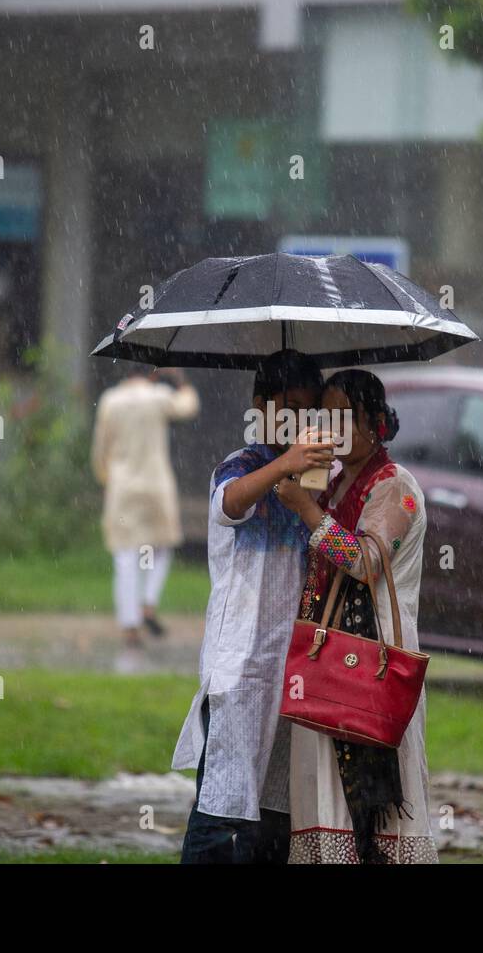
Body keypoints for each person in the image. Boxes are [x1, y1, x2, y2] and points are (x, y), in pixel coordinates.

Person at [172, 349, 334, 864]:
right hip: (240, 670)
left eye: (308, 411)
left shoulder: (313, 480)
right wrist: (284, 465)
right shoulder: (240, 466)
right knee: (220, 813)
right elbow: (229, 504)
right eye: (288, 408)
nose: (298, 422)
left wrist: (310, 490)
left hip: (292, 669)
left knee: (275, 816)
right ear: (259, 407)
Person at [275, 369, 438, 864]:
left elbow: (366, 562)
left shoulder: (396, 487)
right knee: (322, 784)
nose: (334, 426)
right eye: (328, 416)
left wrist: (306, 508)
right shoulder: (340, 482)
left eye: (345, 415)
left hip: (373, 656)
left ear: (376, 422)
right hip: (330, 652)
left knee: (373, 801)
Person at [90, 366, 200, 647]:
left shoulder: (110, 400)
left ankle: (129, 625)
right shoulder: (159, 396)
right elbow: (188, 406)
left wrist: (106, 478)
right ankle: (148, 602)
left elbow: (100, 448)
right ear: (151, 374)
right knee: (162, 547)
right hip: (156, 483)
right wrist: (181, 381)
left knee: (126, 555)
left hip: (122, 485)